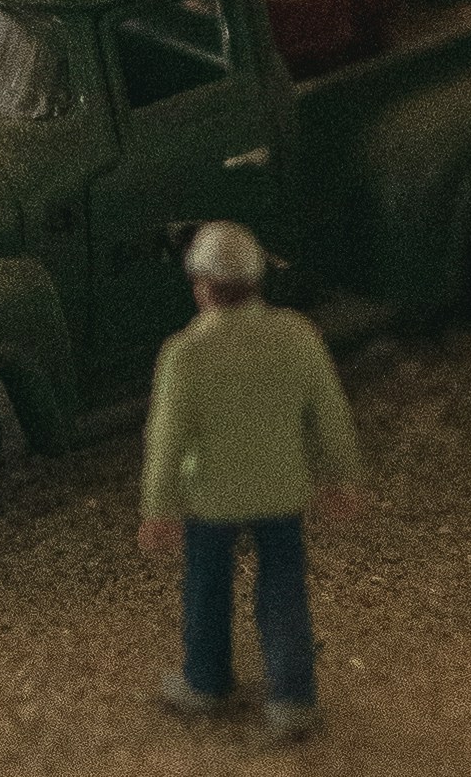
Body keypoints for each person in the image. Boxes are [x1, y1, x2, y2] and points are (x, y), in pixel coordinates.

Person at [139, 218, 362, 741]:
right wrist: (342, 476)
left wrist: (159, 507)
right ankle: (292, 698)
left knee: (206, 588)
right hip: (280, 488)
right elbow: (330, 414)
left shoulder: (185, 352)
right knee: (283, 590)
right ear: (258, 279)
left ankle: (206, 681)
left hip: (210, 496)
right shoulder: (297, 336)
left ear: (202, 286)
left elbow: (166, 439)